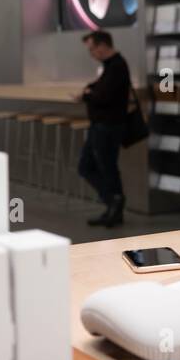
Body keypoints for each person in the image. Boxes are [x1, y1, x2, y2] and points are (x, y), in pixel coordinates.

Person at [77, 30, 131, 227]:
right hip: (101, 125)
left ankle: (114, 203)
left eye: (92, 49)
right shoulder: (110, 66)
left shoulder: (117, 66)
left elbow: (104, 96)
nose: (91, 54)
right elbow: (100, 89)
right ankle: (113, 203)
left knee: (105, 167)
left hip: (108, 126)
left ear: (102, 46)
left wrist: (87, 95)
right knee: (91, 166)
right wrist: (91, 91)